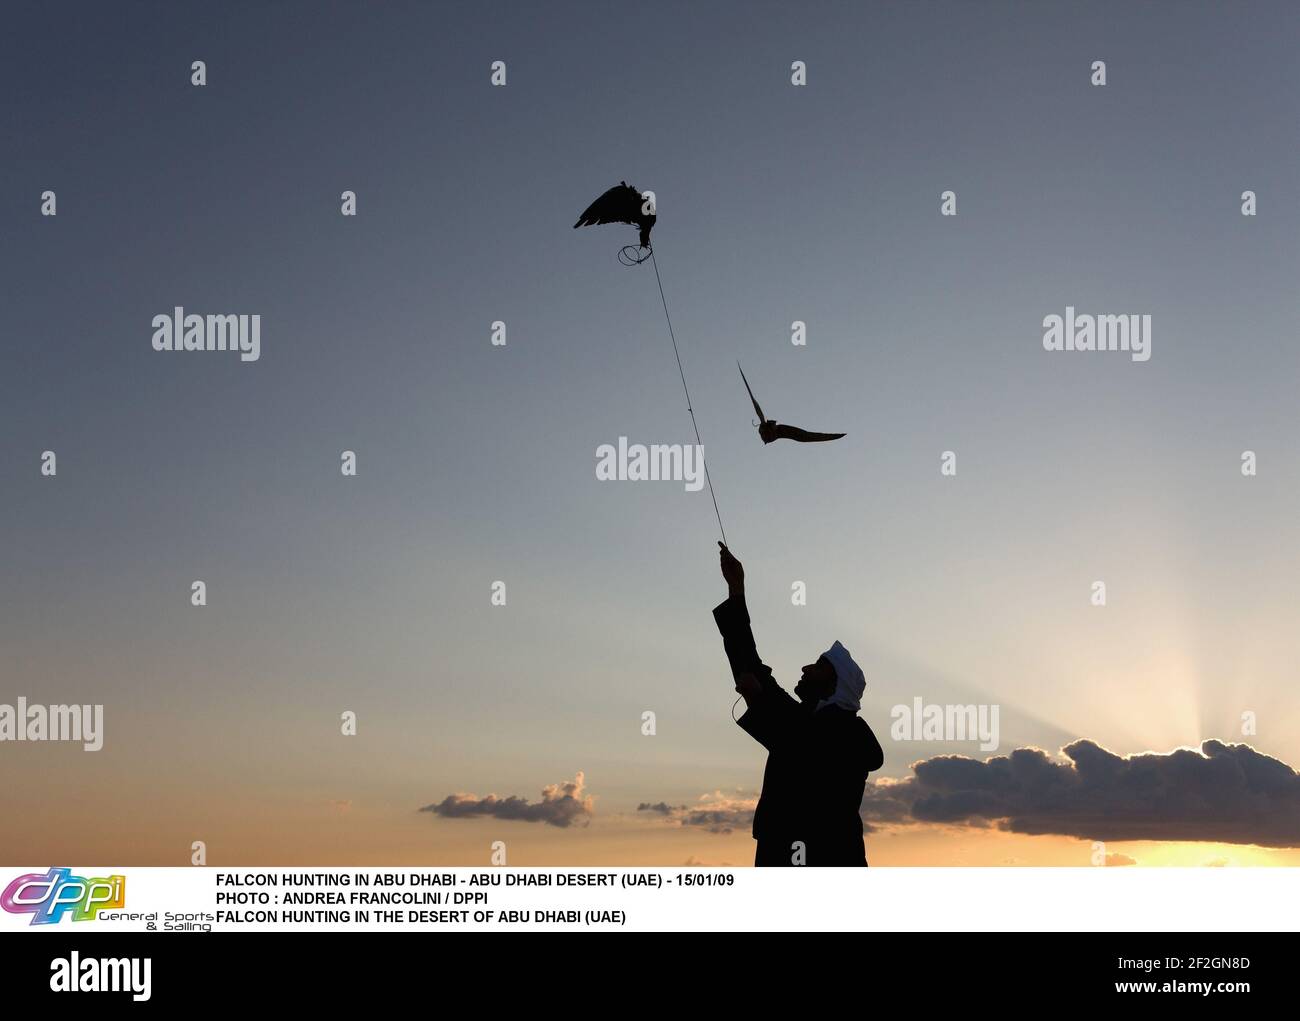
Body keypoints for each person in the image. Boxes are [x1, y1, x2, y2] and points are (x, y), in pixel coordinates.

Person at [714, 542, 884, 866]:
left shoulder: (842, 733)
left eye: (818, 665)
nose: (806, 668)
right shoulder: (808, 722)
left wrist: (761, 697)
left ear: (835, 684)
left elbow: (799, 738)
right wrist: (737, 591)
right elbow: (754, 672)